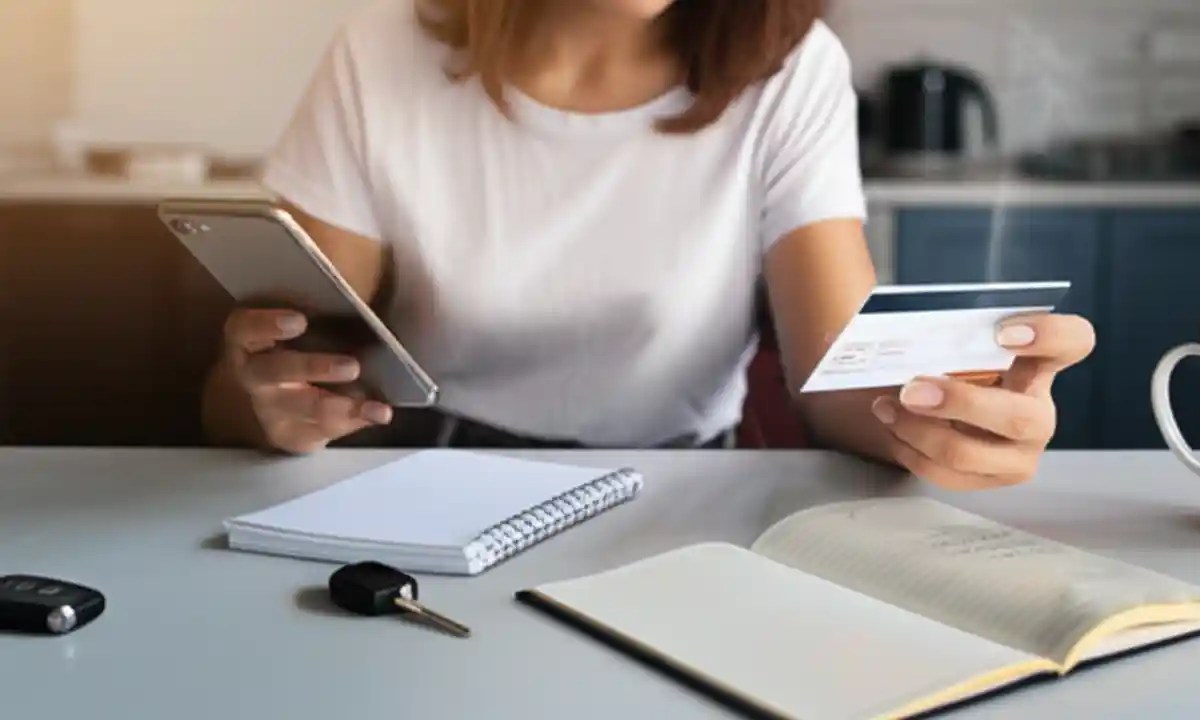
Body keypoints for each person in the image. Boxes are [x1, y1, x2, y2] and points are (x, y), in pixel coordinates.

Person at [202, 0, 1095, 491]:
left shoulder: (793, 68)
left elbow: (839, 384)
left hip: (682, 495)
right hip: (421, 484)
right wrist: (267, 406)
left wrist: (935, 413)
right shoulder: (380, 49)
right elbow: (269, 378)